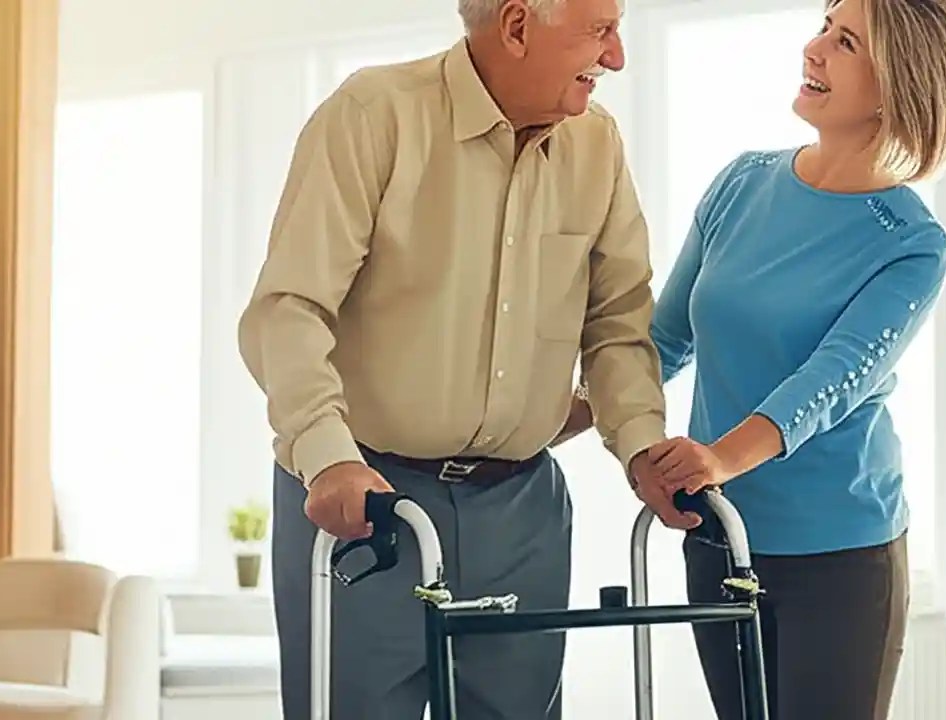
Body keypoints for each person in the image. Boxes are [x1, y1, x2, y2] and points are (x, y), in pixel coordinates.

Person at [237, 0, 678, 717]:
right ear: (515, 25)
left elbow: (618, 325)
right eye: (600, 30)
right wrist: (326, 455)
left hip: (521, 513)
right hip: (370, 504)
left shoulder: (597, 145)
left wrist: (642, 449)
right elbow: (288, 309)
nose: (617, 57)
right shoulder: (374, 114)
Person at [557, 0, 946, 717]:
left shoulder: (911, 242)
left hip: (841, 557)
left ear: (900, 82)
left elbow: (832, 380)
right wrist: (542, 422)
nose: (814, 49)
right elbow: (663, 341)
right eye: (824, 25)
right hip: (722, 538)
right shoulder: (741, 184)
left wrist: (718, 457)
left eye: (846, 42)